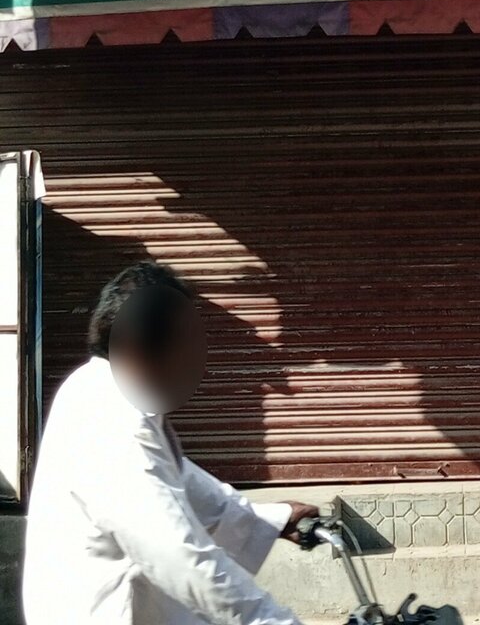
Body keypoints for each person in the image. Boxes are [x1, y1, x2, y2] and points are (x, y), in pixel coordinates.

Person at [22, 261, 319, 625]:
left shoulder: (98, 388)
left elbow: (181, 480)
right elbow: (177, 553)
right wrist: (271, 620)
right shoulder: (115, 418)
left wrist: (273, 518)